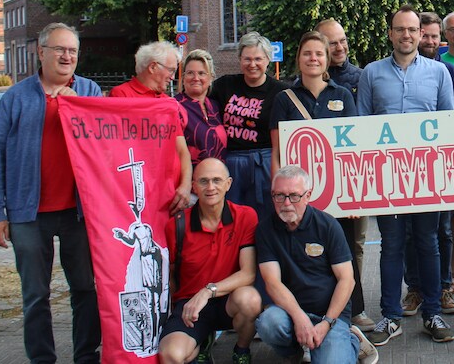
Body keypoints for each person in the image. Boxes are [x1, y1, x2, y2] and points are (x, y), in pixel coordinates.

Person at [0, 22, 102, 363]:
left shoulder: (90, 91)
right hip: (27, 214)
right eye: (59, 49)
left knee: (85, 288)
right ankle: (42, 358)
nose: (67, 56)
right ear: (41, 52)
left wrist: (79, 107)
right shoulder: (16, 98)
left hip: (79, 213)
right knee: (35, 294)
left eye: (72, 51)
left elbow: (104, 144)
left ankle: (86, 355)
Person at [267, 31, 378, 361]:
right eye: (307, 54)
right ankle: (302, 323)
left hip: (337, 198)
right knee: (301, 257)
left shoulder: (343, 94)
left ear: (327, 59)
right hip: (297, 199)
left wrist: (355, 196)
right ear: (298, 58)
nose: (313, 58)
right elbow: (277, 152)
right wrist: (280, 193)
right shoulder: (285, 99)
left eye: (319, 53)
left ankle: (348, 318)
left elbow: (353, 148)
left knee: (342, 258)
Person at [358, 6, 454, 346]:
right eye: (399, 29)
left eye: (412, 29)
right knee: (392, 246)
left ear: (421, 33)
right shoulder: (371, 73)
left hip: (427, 175)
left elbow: (449, 125)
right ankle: (390, 316)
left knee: (428, 244)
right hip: (386, 177)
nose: (406, 35)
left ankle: (432, 312)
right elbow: (362, 127)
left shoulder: (439, 73)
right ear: (390, 33)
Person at [159, 158, 262, 364]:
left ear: (228, 184)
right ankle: (202, 342)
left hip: (228, 300)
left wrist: (207, 291)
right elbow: (169, 278)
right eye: (203, 181)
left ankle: (241, 349)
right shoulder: (176, 225)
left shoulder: (245, 216)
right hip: (190, 306)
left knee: (250, 300)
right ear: (194, 186)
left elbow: (248, 273)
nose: (211, 187)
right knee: (171, 355)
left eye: (217, 180)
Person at [399, 12, 454, 318]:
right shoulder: (391, 71)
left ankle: (441, 287)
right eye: (423, 35)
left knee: (443, 231)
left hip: (440, 166)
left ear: (440, 39)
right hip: (404, 166)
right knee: (410, 234)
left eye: (432, 36)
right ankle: (414, 289)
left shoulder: (448, 72)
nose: (428, 41)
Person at [256, 165, 359, 363]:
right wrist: (299, 317)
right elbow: (272, 282)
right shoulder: (265, 230)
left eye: (294, 196)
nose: (286, 203)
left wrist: (327, 322)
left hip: (330, 315)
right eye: (279, 196)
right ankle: (295, 351)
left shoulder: (328, 225)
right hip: (290, 312)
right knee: (268, 323)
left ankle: (351, 341)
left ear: (308, 195)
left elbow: (347, 280)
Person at [313, 18, 371, 331]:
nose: (340, 48)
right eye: (332, 42)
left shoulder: (360, 78)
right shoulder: (304, 82)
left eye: (342, 40)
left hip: (350, 179)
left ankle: (353, 305)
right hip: (318, 183)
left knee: (354, 245)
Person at [110, 41, 194, 215]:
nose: (173, 76)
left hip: (171, 197)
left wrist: (185, 185)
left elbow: (182, 150)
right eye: (171, 70)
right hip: (138, 196)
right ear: (153, 67)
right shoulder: (121, 95)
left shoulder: (168, 103)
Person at [209, 32, 290, 214]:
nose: (252, 64)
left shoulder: (282, 92)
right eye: (247, 59)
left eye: (258, 59)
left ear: (268, 59)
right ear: (239, 59)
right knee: (231, 214)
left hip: (265, 162)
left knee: (266, 215)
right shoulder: (224, 85)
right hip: (230, 161)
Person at [176, 49, 228, 164]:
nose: (196, 78)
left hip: (217, 177)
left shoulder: (216, 106)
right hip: (189, 178)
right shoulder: (175, 106)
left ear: (211, 79)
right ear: (184, 78)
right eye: (190, 73)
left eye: (201, 73)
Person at [315, 19, 364, 102]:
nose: (340, 48)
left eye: (343, 41)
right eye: (333, 44)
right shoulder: (308, 81)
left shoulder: (363, 78)